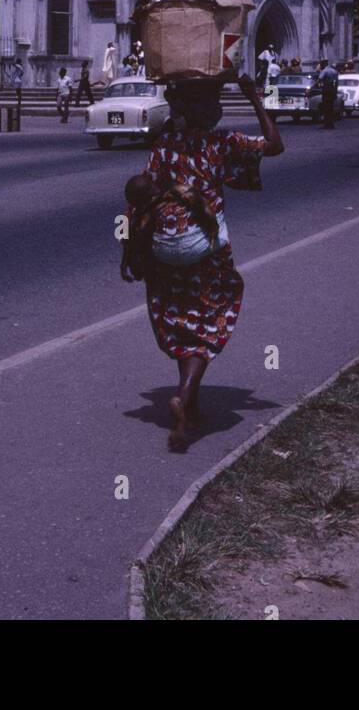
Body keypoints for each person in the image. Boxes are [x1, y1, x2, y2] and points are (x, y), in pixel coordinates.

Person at [121, 72, 284, 452]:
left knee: (178, 318)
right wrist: (255, 97)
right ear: (211, 111)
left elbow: (139, 199)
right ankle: (184, 394)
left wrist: (130, 251)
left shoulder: (163, 146)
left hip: (164, 245)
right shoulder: (221, 142)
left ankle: (190, 407)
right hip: (205, 247)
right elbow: (275, 146)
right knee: (210, 317)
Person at [312, 58, 339, 128]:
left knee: (326, 107)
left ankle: (327, 124)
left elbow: (319, 80)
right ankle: (331, 124)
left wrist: (312, 87)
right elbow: (336, 83)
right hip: (332, 89)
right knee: (331, 107)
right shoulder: (334, 71)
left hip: (326, 89)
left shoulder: (324, 71)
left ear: (323, 64)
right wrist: (335, 91)